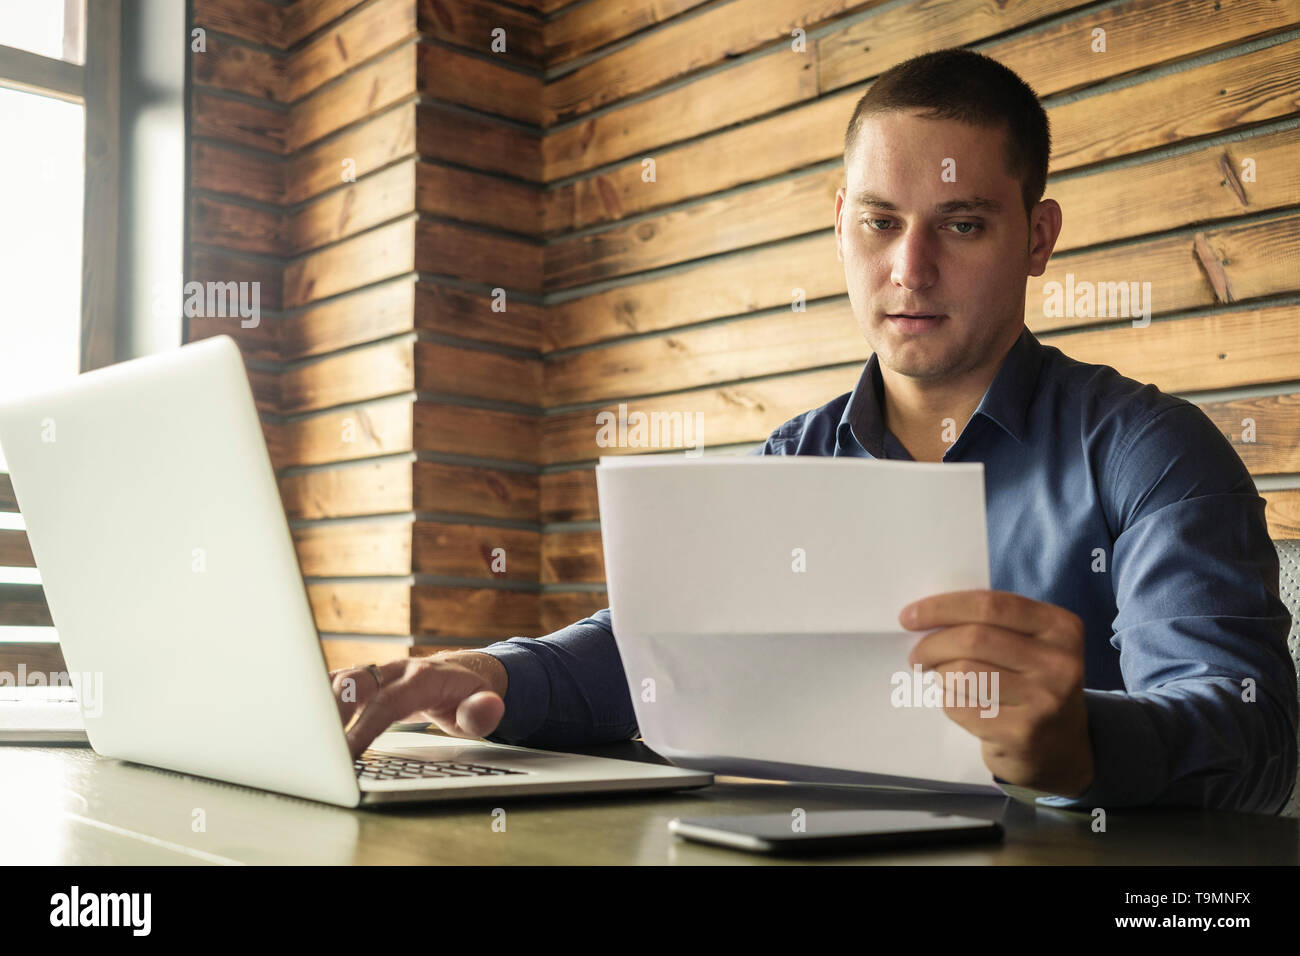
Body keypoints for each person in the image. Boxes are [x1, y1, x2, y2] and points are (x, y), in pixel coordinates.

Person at [329, 48, 1297, 814]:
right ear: (840, 223)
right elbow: (658, 651)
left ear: (1038, 237)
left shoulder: (1150, 452)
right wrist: (486, 669)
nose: (907, 269)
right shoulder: (792, 461)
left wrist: (1080, 745)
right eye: (878, 221)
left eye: (960, 226)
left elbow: (1252, 735)